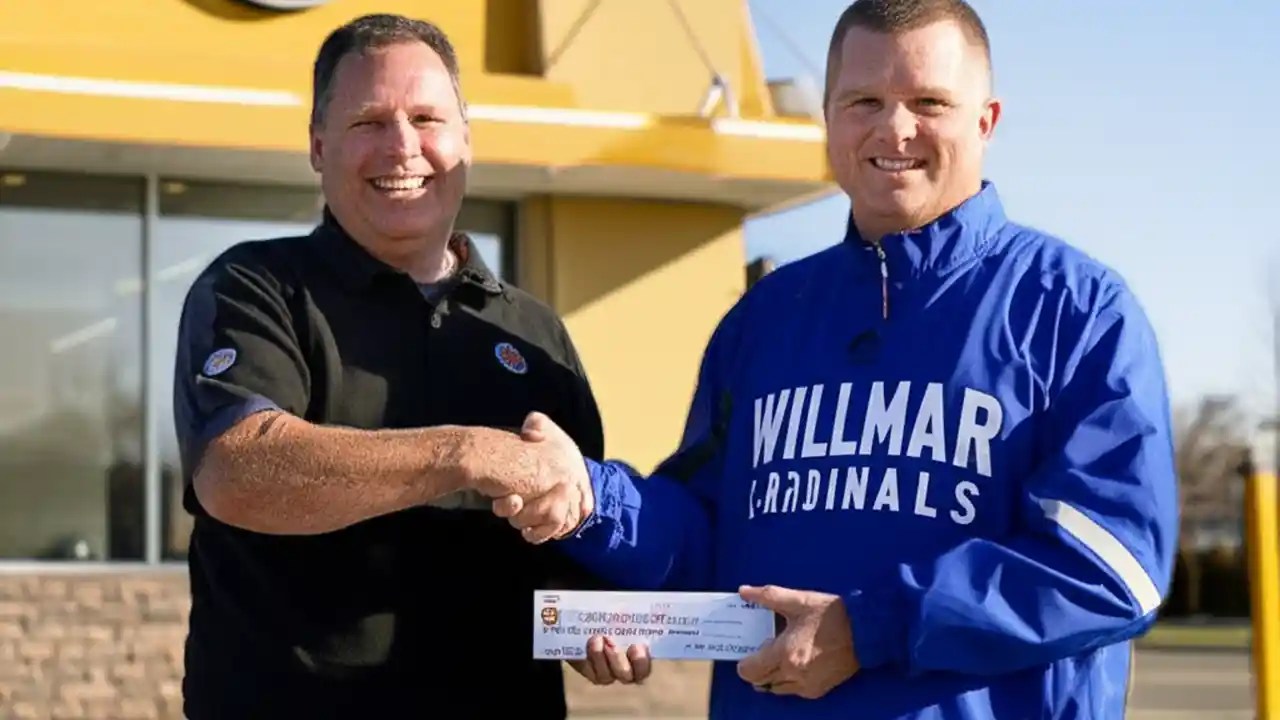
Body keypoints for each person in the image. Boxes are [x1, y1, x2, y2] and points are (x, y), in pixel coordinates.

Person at [493, 0, 1179, 717]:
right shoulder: (764, 319)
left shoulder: (1076, 311)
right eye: (865, 101)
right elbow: (701, 529)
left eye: (929, 102)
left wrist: (868, 628)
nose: (895, 128)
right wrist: (594, 505)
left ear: (987, 120)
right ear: (828, 117)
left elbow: (1113, 565)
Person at [172, 13, 603, 719]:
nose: (402, 147)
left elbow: (570, 531)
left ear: (466, 139)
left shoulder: (534, 333)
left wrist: (600, 617)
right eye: (369, 121)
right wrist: (465, 454)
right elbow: (237, 472)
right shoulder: (254, 288)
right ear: (318, 146)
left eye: (427, 118)